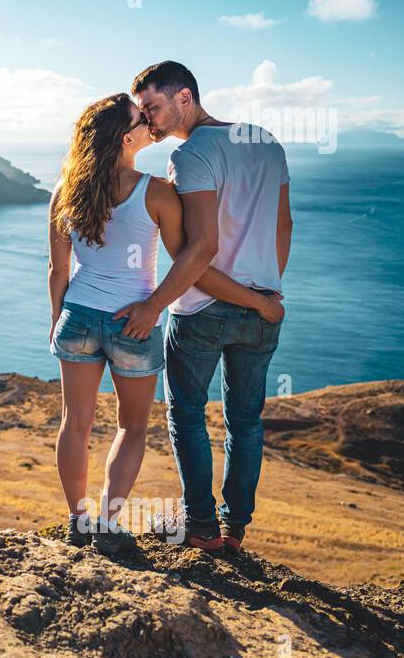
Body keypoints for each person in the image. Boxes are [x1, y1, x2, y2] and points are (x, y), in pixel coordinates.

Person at [48, 92, 284, 556]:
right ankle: (109, 522)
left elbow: (58, 270)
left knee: (74, 424)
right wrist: (249, 300)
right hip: (134, 325)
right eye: (141, 120)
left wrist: (57, 322)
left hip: (77, 317)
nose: (149, 127)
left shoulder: (64, 190)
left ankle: (79, 520)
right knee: (130, 428)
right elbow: (188, 260)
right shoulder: (156, 191)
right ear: (125, 136)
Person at [114, 61, 293, 553]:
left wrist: (152, 306)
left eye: (152, 106)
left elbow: (200, 250)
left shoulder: (190, 156)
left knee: (188, 415)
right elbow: (283, 227)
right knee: (246, 420)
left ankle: (201, 529)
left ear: (185, 98)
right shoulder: (264, 140)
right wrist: (266, 292)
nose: (148, 120)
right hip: (263, 311)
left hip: (201, 312)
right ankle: (235, 531)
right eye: (142, 112)